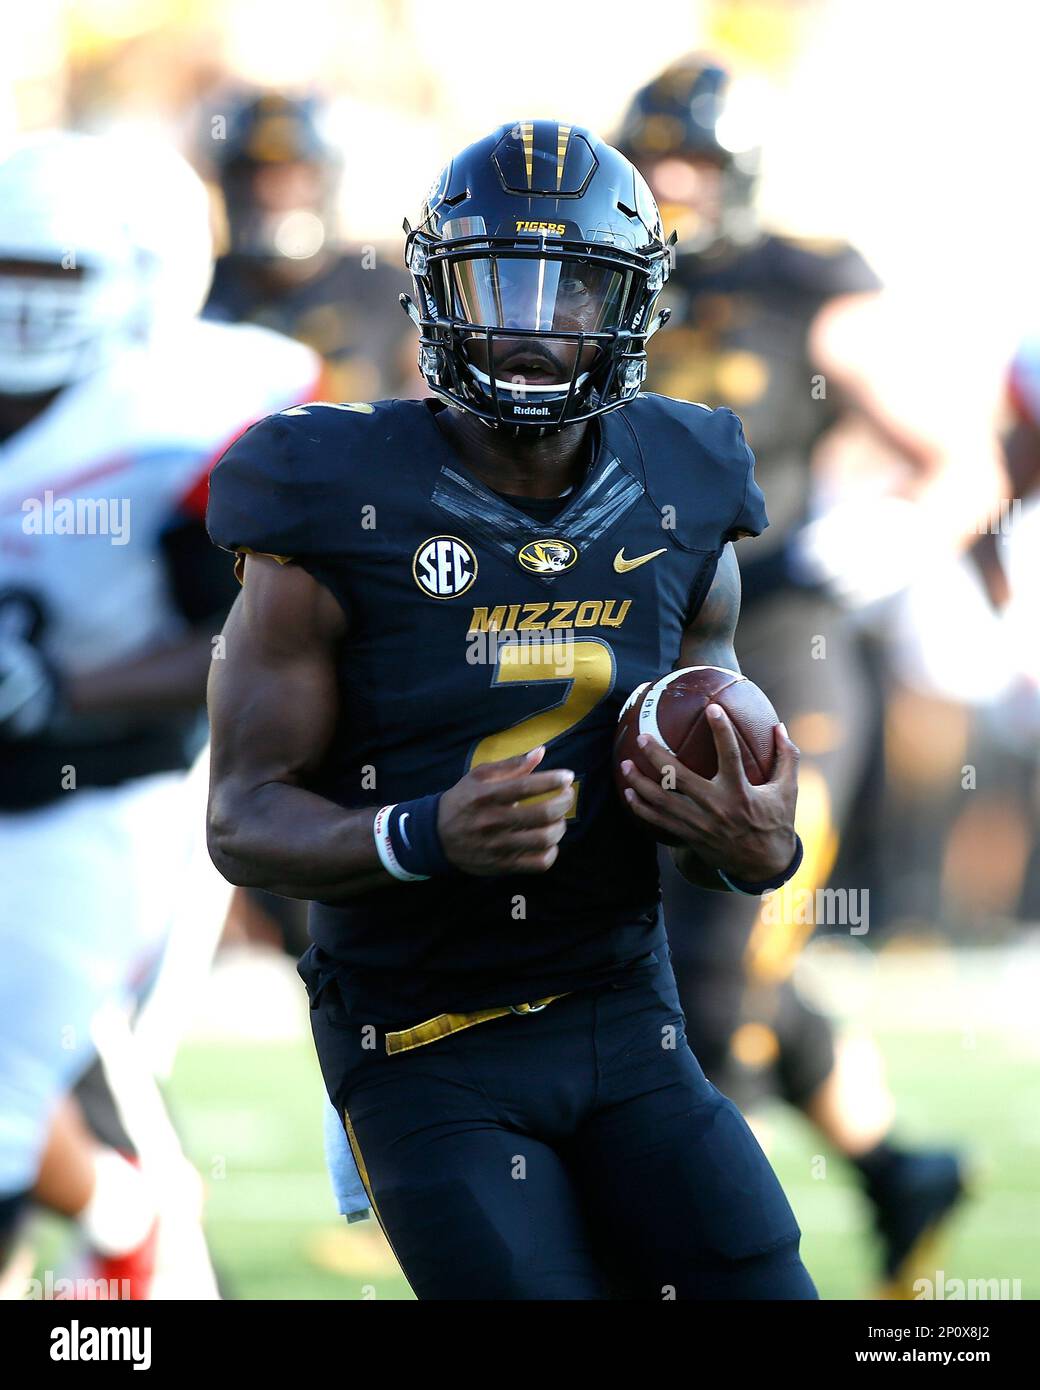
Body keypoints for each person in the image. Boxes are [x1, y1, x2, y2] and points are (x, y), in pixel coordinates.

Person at [206, 119, 816, 1301]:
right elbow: (238, 818)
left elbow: (711, 777)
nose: (531, 326)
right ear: (436, 289)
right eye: (500, 281)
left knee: (760, 1279)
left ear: (631, 304)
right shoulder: (327, 494)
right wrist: (422, 834)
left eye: (571, 289)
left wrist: (756, 845)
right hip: (425, 1045)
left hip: (621, 1020)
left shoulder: (685, 485)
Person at [615, 55, 1001, 1294]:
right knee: (656, 947)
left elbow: (963, 457)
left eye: (696, 164)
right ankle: (896, 1170)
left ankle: (691, 1260)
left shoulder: (801, 283)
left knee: (719, 957)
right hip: (619, 654)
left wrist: (901, 532)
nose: (673, 185)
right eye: (657, 159)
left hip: (777, 656)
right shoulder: (600, 271)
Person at [0, 130, 321, 1296]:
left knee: (28, 1097)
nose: (17, 303)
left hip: (107, 795)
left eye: (49, 275)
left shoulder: (181, 410)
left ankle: (134, 1254)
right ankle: (127, 1235)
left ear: (140, 279)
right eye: (2, 270)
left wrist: (67, 688)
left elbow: (258, 639)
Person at [202, 90, 415, 402]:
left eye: (294, 175)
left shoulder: (387, 290)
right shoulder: (198, 290)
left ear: (323, 180)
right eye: (254, 174)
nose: (272, 193)